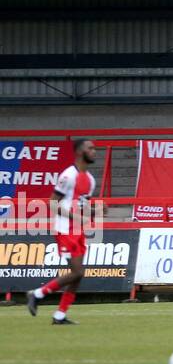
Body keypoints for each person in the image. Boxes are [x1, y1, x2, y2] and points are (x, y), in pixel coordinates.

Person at [27, 137, 97, 325]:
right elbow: (52, 203)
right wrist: (77, 218)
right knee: (77, 272)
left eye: (94, 148)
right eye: (90, 148)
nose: (94, 151)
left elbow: (83, 207)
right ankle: (38, 293)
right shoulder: (68, 176)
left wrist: (97, 210)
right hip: (65, 229)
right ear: (80, 152)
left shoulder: (90, 180)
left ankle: (59, 316)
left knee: (78, 274)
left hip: (78, 230)